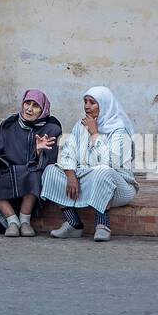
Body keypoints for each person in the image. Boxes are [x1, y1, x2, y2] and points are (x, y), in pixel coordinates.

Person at [40, 86, 137, 242]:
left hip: (119, 186)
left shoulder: (119, 130)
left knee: (102, 171)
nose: (86, 106)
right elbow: (68, 152)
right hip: (87, 180)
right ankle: (73, 223)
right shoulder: (80, 125)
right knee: (51, 171)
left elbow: (112, 163)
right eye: (85, 101)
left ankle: (103, 224)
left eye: (92, 102)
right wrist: (71, 176)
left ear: (104, 105)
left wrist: (95, 134)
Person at [0, 89, 62, 237]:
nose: (29, 108)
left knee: (35, 173)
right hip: (9, 170)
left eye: (35, 105)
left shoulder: (51, 128)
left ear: (43, 110)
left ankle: (25, 220)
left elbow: (49, 163)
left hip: (30, 172)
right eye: (27, 103)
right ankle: (12, 221)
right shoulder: (9, 125)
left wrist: (37, 151)